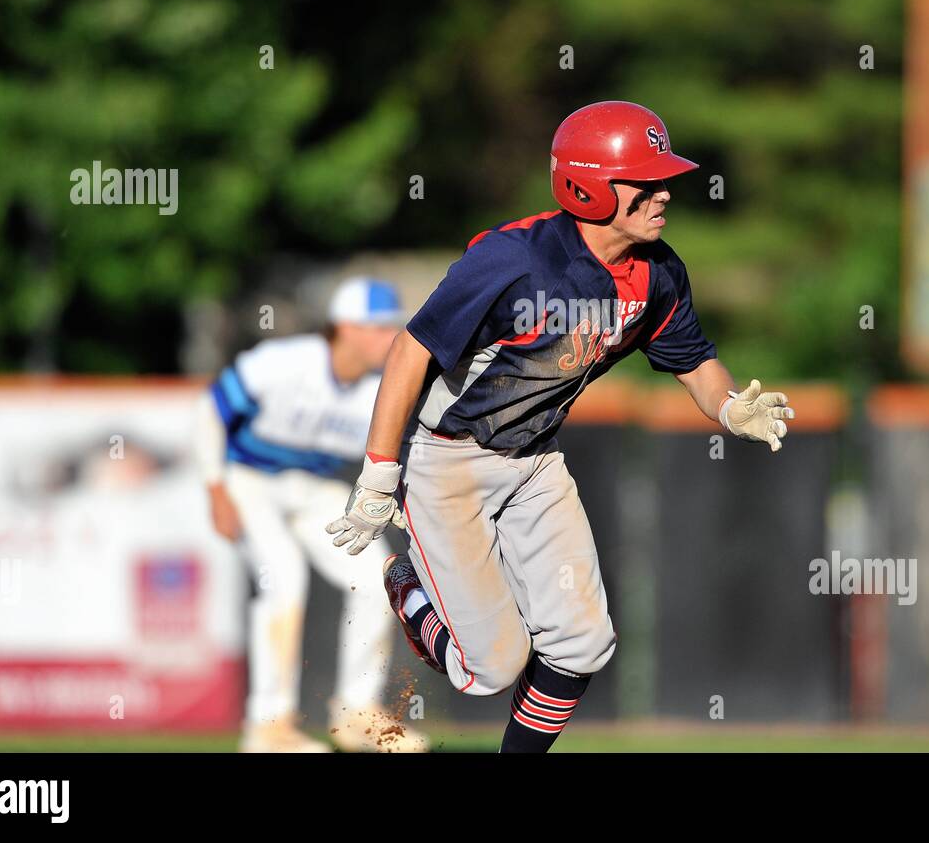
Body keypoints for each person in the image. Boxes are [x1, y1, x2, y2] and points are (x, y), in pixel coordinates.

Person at [326, 101, 793, 752]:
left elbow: (692, 361)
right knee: (490, 667)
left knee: (583, 644)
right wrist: (380, 472)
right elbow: (411, 350)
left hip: (535, 461)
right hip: (448, 460)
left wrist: (728, 406)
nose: (664, 193)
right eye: (645, 180)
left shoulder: (658, 273)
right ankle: (406, 587)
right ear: (588, 183)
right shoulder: (513, 259)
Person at [195, 277, 428, 752]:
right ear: (344, 327)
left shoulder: (379, 389)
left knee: (378, 577)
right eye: (378, 328)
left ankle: (357, 714)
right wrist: (215, 487)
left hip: (313, 488)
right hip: (249, 480)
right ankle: (268, 728)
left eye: (392, 328)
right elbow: (210, 410)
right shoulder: (287, 361)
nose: (390, 339)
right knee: (282, 576)